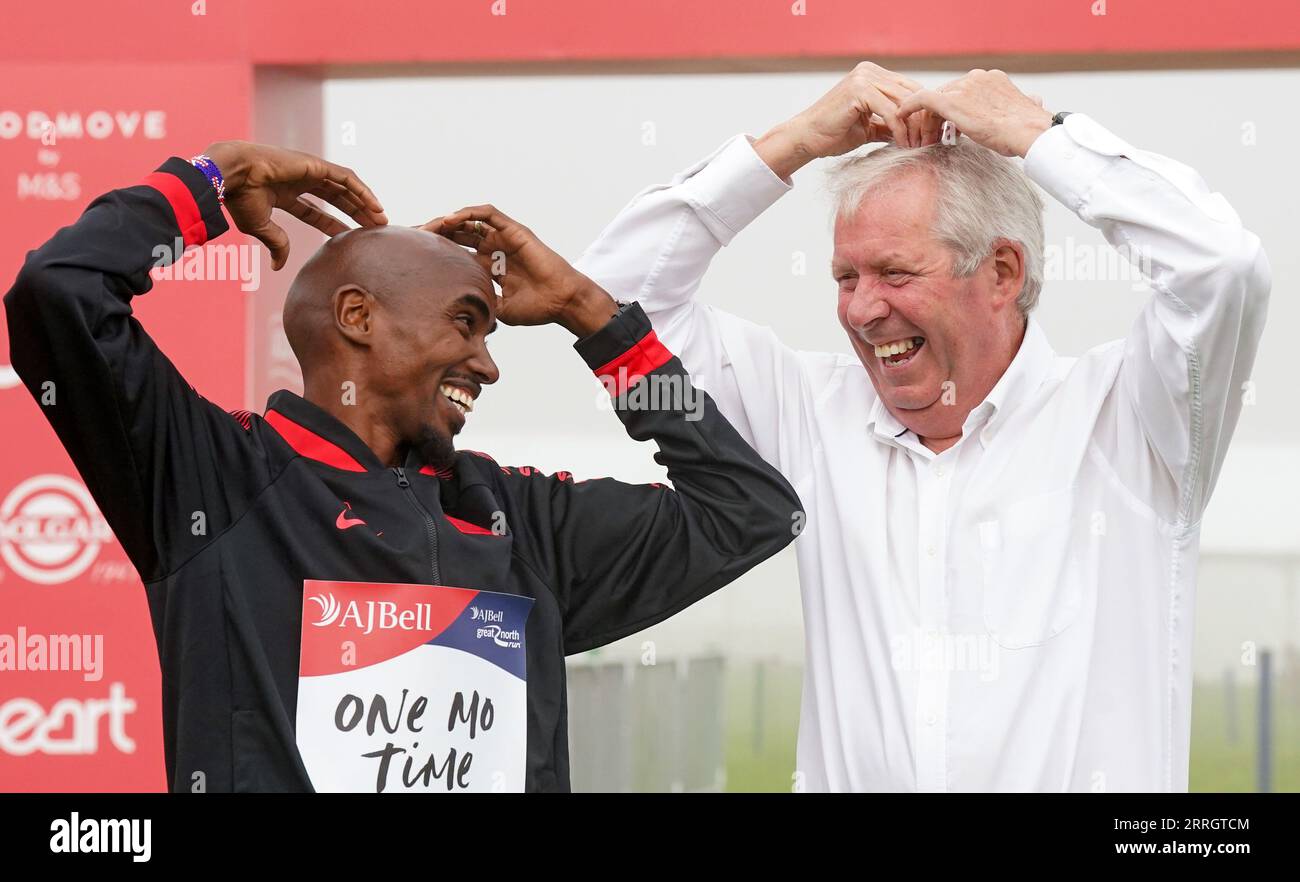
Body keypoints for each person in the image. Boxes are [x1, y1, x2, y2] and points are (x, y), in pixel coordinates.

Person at [4, 140, 801, 792]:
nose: (486, 366)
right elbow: (58, 289)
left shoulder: (511, 515)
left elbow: (748, 510)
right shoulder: (211, 479)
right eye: (466, 324)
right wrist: (213, 182)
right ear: (357, 317)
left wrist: (588, 313)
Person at [569, 63, 1271, 791]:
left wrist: (1038, 137)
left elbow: (1222, 266)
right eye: (846, 278)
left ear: (1002, 272)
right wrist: (796, 140)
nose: (862, 311)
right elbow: (602, 302)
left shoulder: (1132, 419)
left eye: (895, 274)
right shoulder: (807, 411)